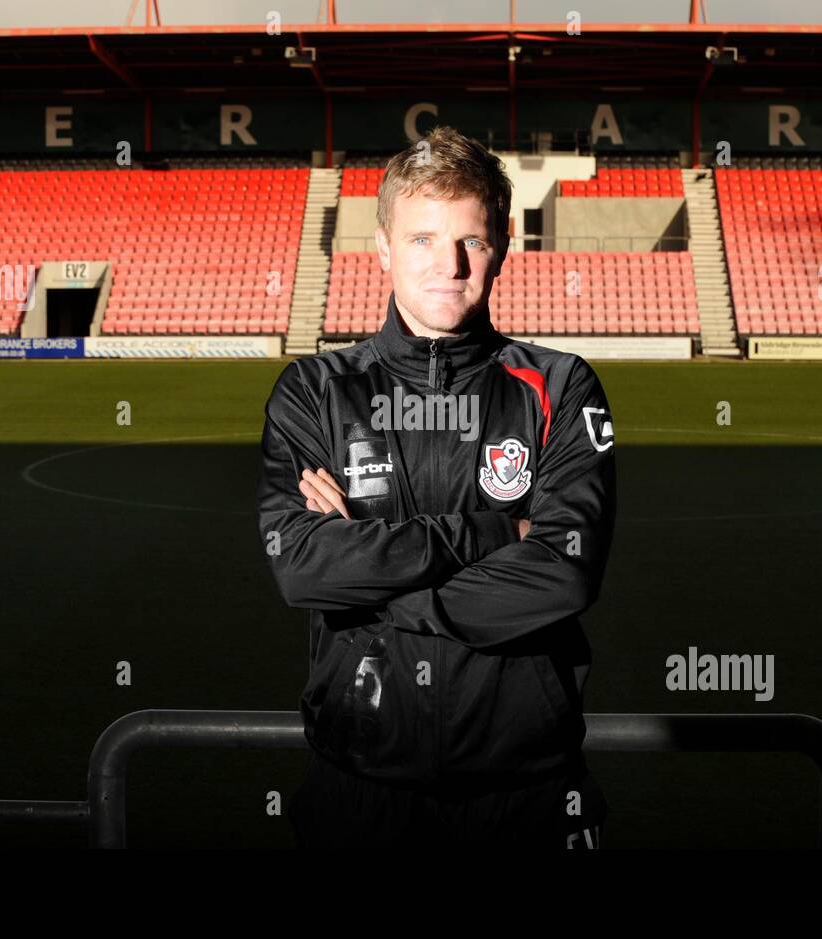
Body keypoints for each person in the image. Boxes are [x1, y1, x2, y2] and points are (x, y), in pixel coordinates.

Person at [256, 125, 616, 848]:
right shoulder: (316, 390)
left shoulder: (562, 385)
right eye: (421, 239)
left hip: (527, 791)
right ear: (383, 249)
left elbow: (563, 574)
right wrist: (488, 533)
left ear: (503, 246)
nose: (448, 264)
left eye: (471, 241)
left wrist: (372, 579)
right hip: (359, 786)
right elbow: (302, 567)